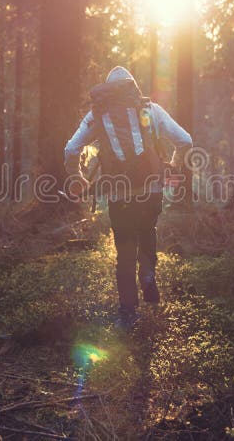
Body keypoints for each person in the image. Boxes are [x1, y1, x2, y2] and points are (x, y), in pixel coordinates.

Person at [64, 66, 192, 328]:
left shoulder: (96, 115)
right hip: (152, 190)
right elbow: (186, 140)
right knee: (148, 231)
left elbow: (71, 148)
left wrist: (77, 176)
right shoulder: (151, 110)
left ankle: (128, 311)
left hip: (119, 194)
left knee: (124, 251)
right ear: (133, 86)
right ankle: (148, 276)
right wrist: (174, 164)